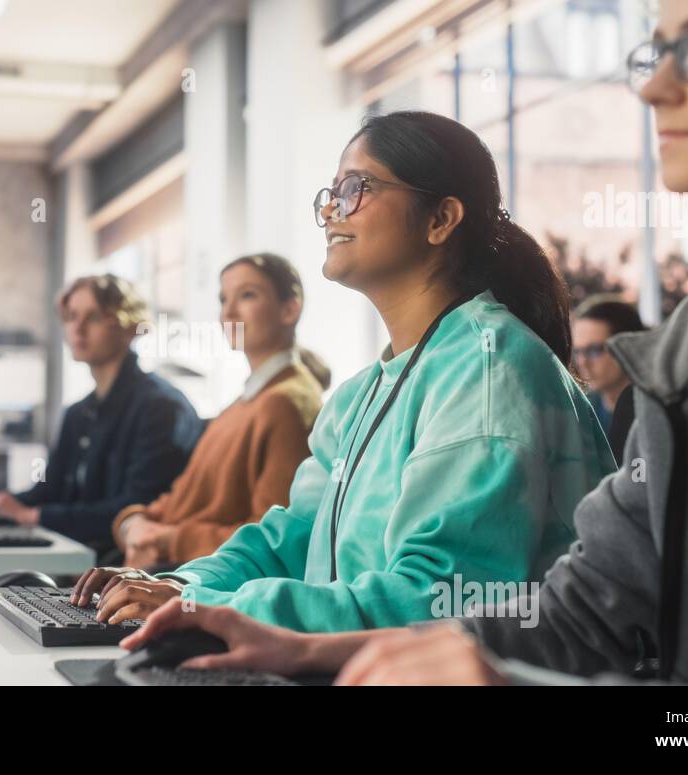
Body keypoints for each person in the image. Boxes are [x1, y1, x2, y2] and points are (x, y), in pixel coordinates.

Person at [124, 0, 688, 685]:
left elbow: (450, 600)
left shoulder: (495, 369)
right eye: (655, 50)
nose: (654, 85)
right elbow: (576, 617)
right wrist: (263, 626)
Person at [71, 110, 616, 632]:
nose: (333, 210)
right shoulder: (363, 394)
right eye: (332, 193)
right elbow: (292, 538)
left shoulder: (489, 369)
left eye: (357, 188)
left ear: (441, 219)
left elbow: (436, 603)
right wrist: (178, 584)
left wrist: (200, 605)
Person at [113, 253, 329, 570]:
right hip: (175, 567)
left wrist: (165, 540)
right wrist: (133, 525)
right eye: (223, 298)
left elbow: (273, 539)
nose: (228, 312)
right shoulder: (241, 404)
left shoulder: (285, 404)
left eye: (247, 295)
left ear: (289, 309)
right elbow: (179, 498)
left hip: (202, 584)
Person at [0, 274, 201, 557]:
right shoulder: (78, 413)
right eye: (71, 317)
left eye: (93, 317)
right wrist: (0, 501)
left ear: (129, 327)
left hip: (116, 569)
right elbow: (49, 489)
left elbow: (137, 509)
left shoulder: (162, 408)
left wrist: (34, 517)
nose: (77, 328)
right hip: (65, 559)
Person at [572, 294, 646, 462]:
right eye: (577, 352)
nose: (583, 362)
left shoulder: (652, 412)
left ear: (626, 347)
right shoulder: (582, 410)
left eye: (595, 350)